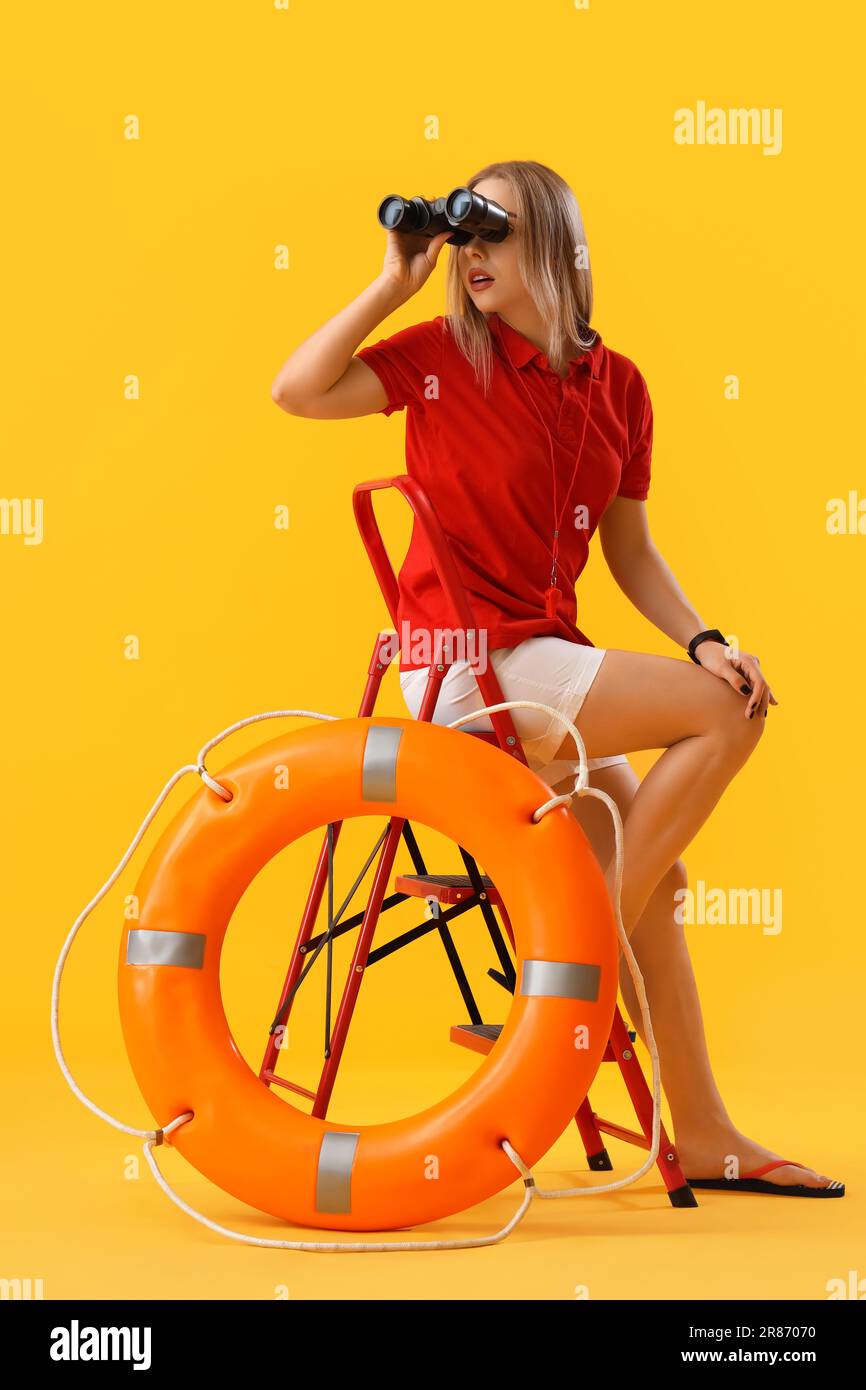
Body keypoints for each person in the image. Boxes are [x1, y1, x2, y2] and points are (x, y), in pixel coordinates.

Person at [271, 159, 843, 1197]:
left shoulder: (617, 384)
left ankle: (704, 1128)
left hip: (545, 668)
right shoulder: (441, 357)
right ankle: (562, 950)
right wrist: (394, 280)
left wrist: (701, 636)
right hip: (462, 670)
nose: (473, 252)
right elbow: (297, 389)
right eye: (464, 236)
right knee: (722, 722)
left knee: (659, 866)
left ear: (556, 244)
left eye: (493, 229)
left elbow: (630, 554)